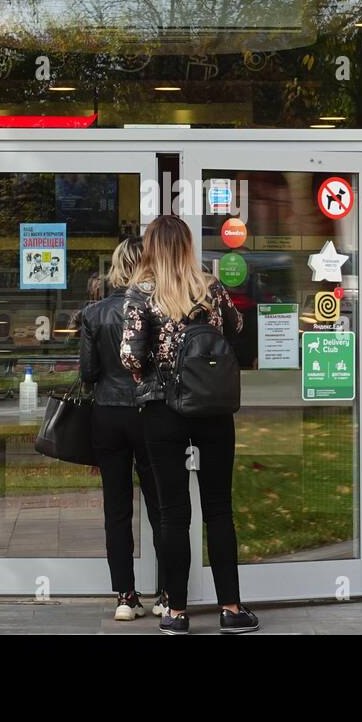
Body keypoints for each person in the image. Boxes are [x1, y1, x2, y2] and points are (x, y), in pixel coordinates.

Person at [120, 215, 258, 635]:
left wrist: (152, 371)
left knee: (173, 513)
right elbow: (236, 329)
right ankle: (231, 609)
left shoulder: (141, 294)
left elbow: (129, 355)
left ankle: (175, 613)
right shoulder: (211, 288)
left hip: (162, 410)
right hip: (213, 409)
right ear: (187, 246)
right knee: (219, 508)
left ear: (150, 248)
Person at [78, 237, 166, 620]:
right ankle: (167, 592)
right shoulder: (157, 309)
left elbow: (87, 372)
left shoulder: (94, 313)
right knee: (162, 506)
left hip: (108, 416)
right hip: (148, 413)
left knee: (116, 509)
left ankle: (125, 598)